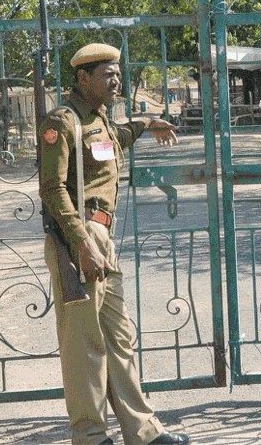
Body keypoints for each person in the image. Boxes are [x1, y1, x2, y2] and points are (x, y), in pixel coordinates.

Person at [39, 43, 190, 445]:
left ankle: (143, 432)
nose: (116, 80)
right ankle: (89, 436)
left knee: (119, 337)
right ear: (83, 77)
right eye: (107, 73)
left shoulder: (99, 120)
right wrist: (82, 241)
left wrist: (146, 124)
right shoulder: (63, 120)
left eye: (118, 73)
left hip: (101, 237)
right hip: (79, 239)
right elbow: (52, 188)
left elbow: (110, 145)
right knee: (85, 345)